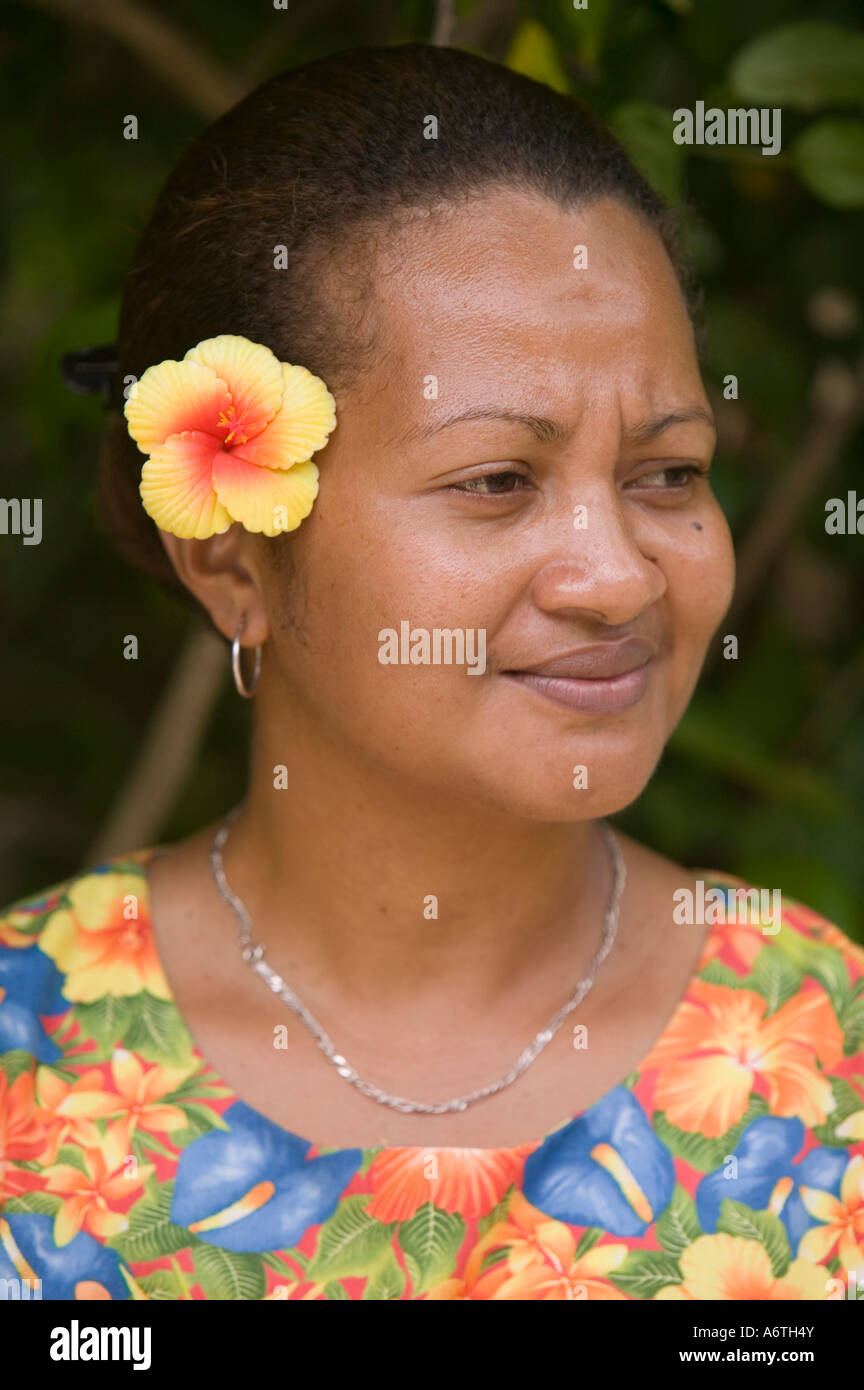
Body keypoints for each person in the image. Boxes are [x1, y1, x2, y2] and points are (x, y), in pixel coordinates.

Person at [2, 44, 862, 1303]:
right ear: (230, 553)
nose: (618, 576)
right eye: (498, 481)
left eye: (668, 473)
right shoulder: (28, 1073)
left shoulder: (822, 1062)